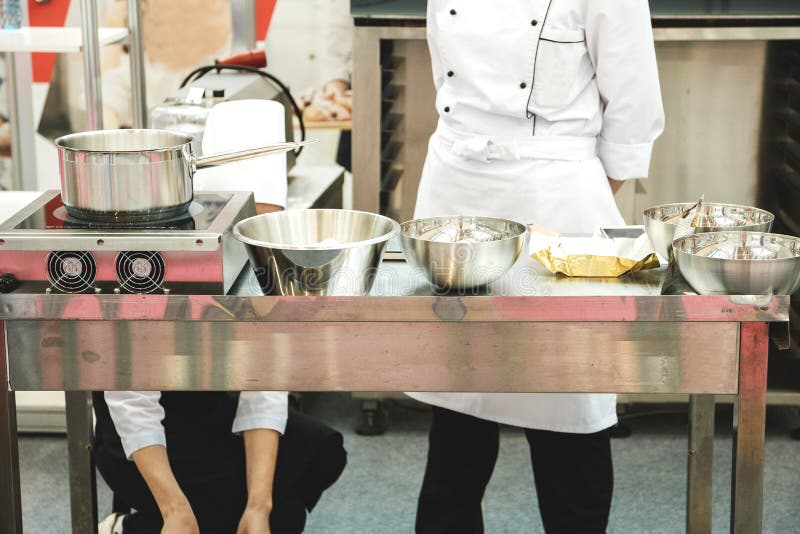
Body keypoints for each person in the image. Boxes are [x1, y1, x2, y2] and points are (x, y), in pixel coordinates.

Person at [408, 2, 665, 533]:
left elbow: (634, 104)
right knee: (457, 411)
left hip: (555, 195)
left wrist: (571, 190)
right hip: (458, 192)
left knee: (570, 405)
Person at [96, 101, 346, 534]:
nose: (256, 242)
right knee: (209, 510)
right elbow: (131, 402)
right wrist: (175, 509)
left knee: (313, 462)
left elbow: (264, 390)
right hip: (137, 429)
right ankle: (132, 524)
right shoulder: (160, 264)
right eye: (245, 227)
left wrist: (260, 505)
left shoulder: (268, 265)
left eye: (267, 226)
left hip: (212, 409)